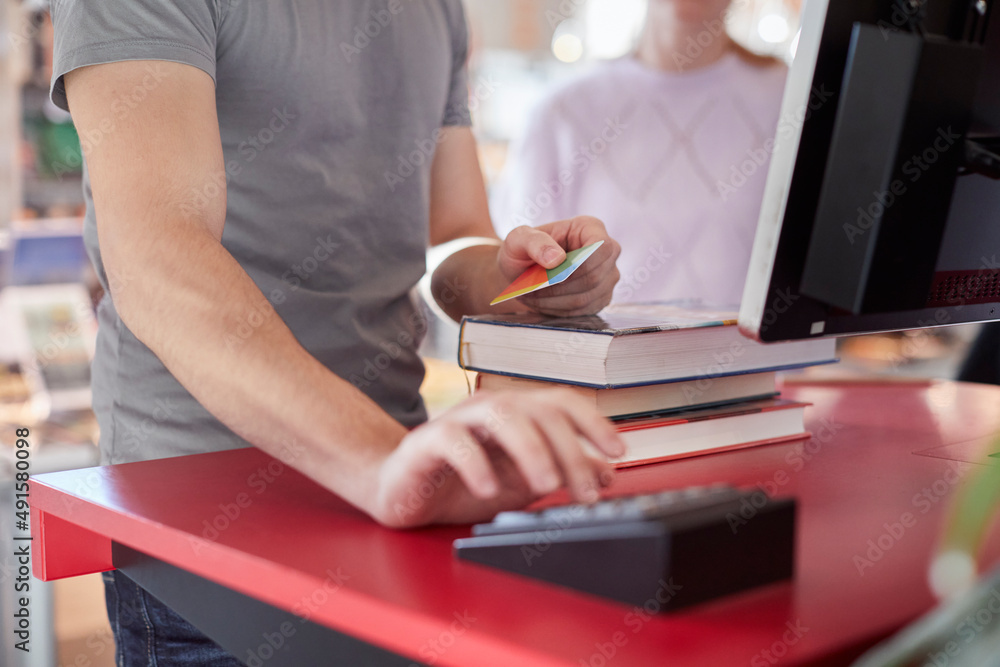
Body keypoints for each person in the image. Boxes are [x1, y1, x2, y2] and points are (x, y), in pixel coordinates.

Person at [49, 1, 623, 664]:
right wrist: (380, 461)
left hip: (393, 487)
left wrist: (517, 280)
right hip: (206, 513)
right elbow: (155, 255)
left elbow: (452, 234)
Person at [491, 0, 788, 306]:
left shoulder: (794, 101)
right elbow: (520, 285)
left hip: (768, 354)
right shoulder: (561, 112)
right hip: (607, 351)